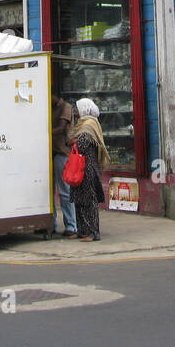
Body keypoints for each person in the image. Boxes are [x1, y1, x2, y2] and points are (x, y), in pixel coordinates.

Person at [69, 98, 108, 242]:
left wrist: (73, 141)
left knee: (90, 201)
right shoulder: (82, 125)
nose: (77, 111)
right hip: (80, 168)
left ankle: (93, 233)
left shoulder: (90, 125)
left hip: (88, 168)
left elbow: (82, 144)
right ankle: (82, 230)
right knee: (79, 199)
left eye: (78, 108)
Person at [50, 93, 78, 237]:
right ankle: (51, 223)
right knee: (48, 192)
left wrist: (44, 133)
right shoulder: (48, 107)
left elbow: (61, 128)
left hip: (62, 153)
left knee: (64, 192)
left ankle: (71, 226)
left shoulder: (65, 107)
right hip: (51, 153)